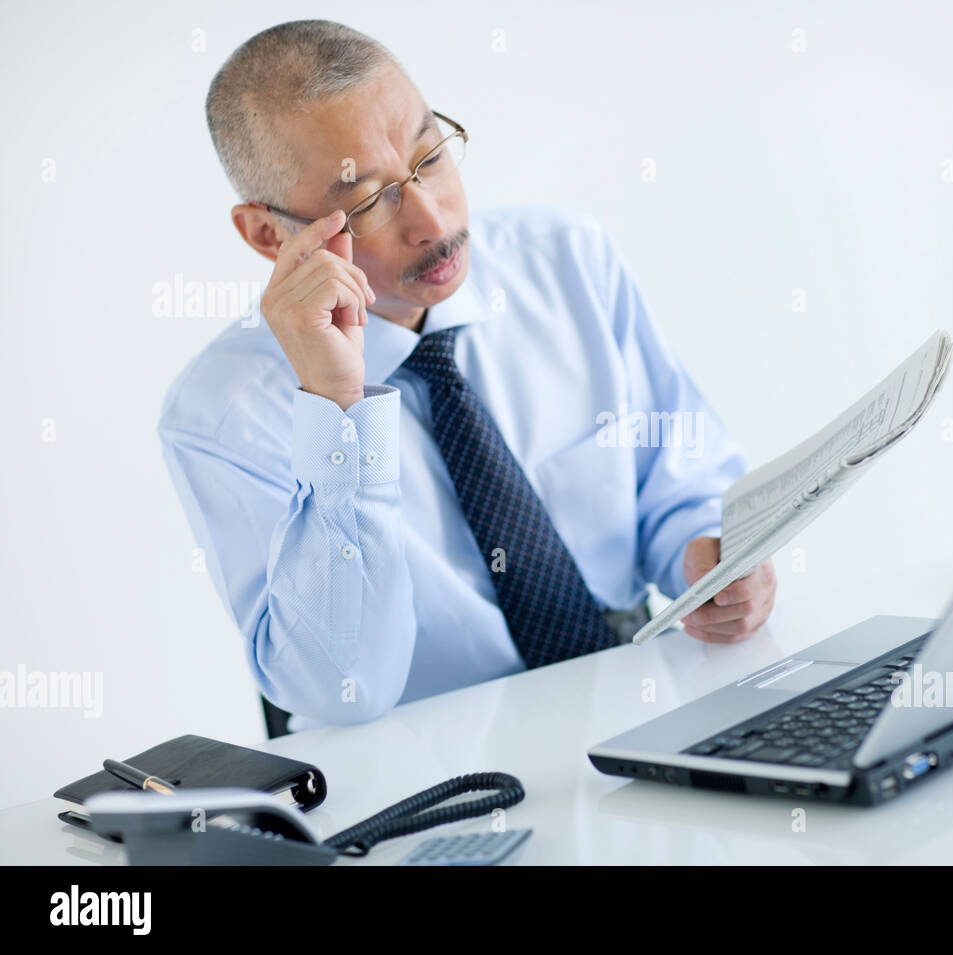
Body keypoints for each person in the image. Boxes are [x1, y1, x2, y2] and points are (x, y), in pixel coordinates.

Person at [158, 19, 777, 729]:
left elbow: (680, 476)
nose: (430, 218)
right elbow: (338, 687)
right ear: (271, 235)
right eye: (367, 203)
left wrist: (707, 557)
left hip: (630, 707)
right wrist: (335, 408)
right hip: (424, 775)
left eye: (429, 157)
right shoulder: (220, 414)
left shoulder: (567, 260)